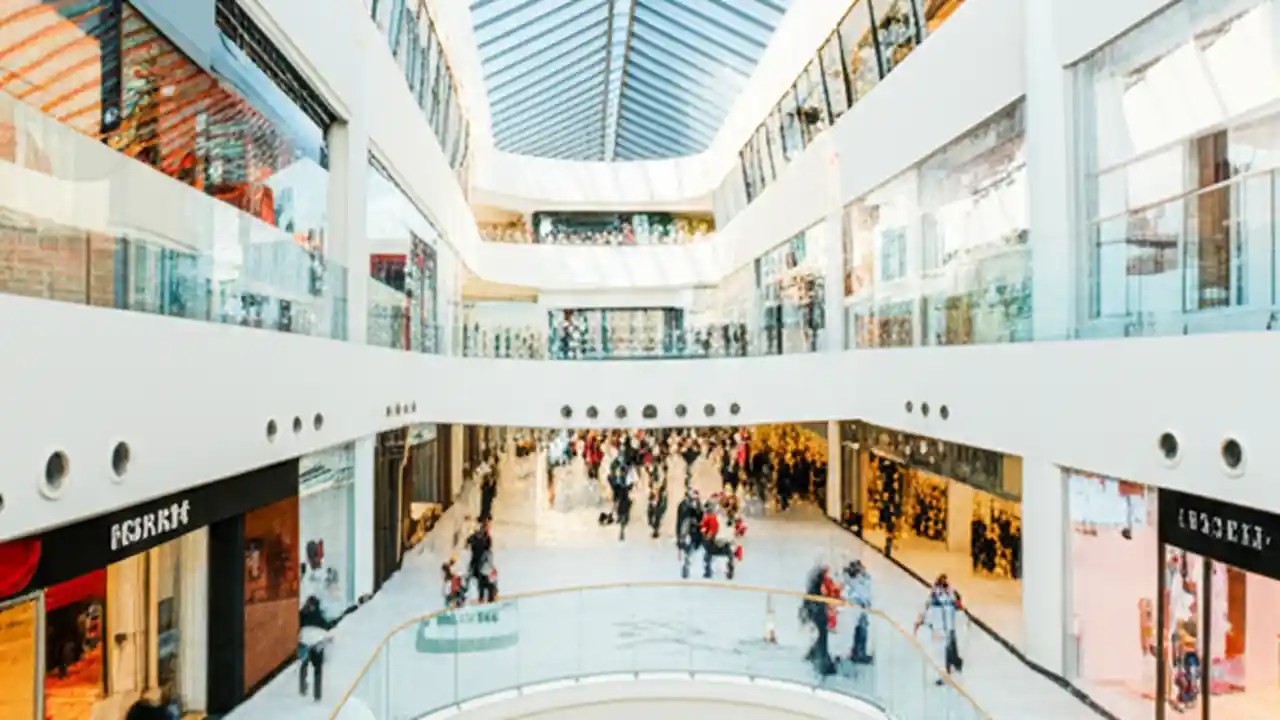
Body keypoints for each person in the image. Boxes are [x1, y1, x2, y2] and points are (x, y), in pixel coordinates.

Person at [914, 574, 964, 684]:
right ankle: (946, 670)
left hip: (949, 626)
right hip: (940, 627)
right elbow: (926, 608)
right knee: (942, 651)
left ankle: (955, 662)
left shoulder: (952, 593)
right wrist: (921, 620)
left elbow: (959, 606)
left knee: (950, 647)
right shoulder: (935, 596)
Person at [299, 594, 336, 701]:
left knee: (310, 668)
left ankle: (314, 693)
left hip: (311, 644)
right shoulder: (317, 616)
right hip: (312, 644)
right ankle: (308, 691)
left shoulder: (303, 615)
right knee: (310, 668)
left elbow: (327, 627)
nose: (310, 607)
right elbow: (327, 626)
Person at [802, 564, 837, 676]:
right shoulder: (819, 588)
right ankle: (823, 663)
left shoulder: (813, 588)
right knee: (822, 636)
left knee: (821, 636)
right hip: (820, 614)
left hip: (817, 614)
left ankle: (813, 654)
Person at [842, 560, 873, 663]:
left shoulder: (863, 579)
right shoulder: (856, 581)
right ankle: (859, 653)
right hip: (860, 607)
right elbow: (862, 594)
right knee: (861, 630)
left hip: (862, 607)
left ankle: (858, 651)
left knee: (861, 629)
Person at [467, 520, 496, 603]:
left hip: (481, 562)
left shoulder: (484, 537)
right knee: (483, 581)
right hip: (479, 562)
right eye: (487, 527)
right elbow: (470, 541)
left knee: (485, 581)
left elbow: (488, 548)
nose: (489, 529)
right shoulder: (480, 536)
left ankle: (487, 597)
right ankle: (484, 598)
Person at [676, 489, 702, 578]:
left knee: (690, 548)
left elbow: (700, 516)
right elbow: (681, 520)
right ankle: (686, 563)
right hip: (688, 529)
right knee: (688, 547)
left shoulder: (696, 504)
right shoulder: (684, 505)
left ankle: (687, 562)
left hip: (693, 531)